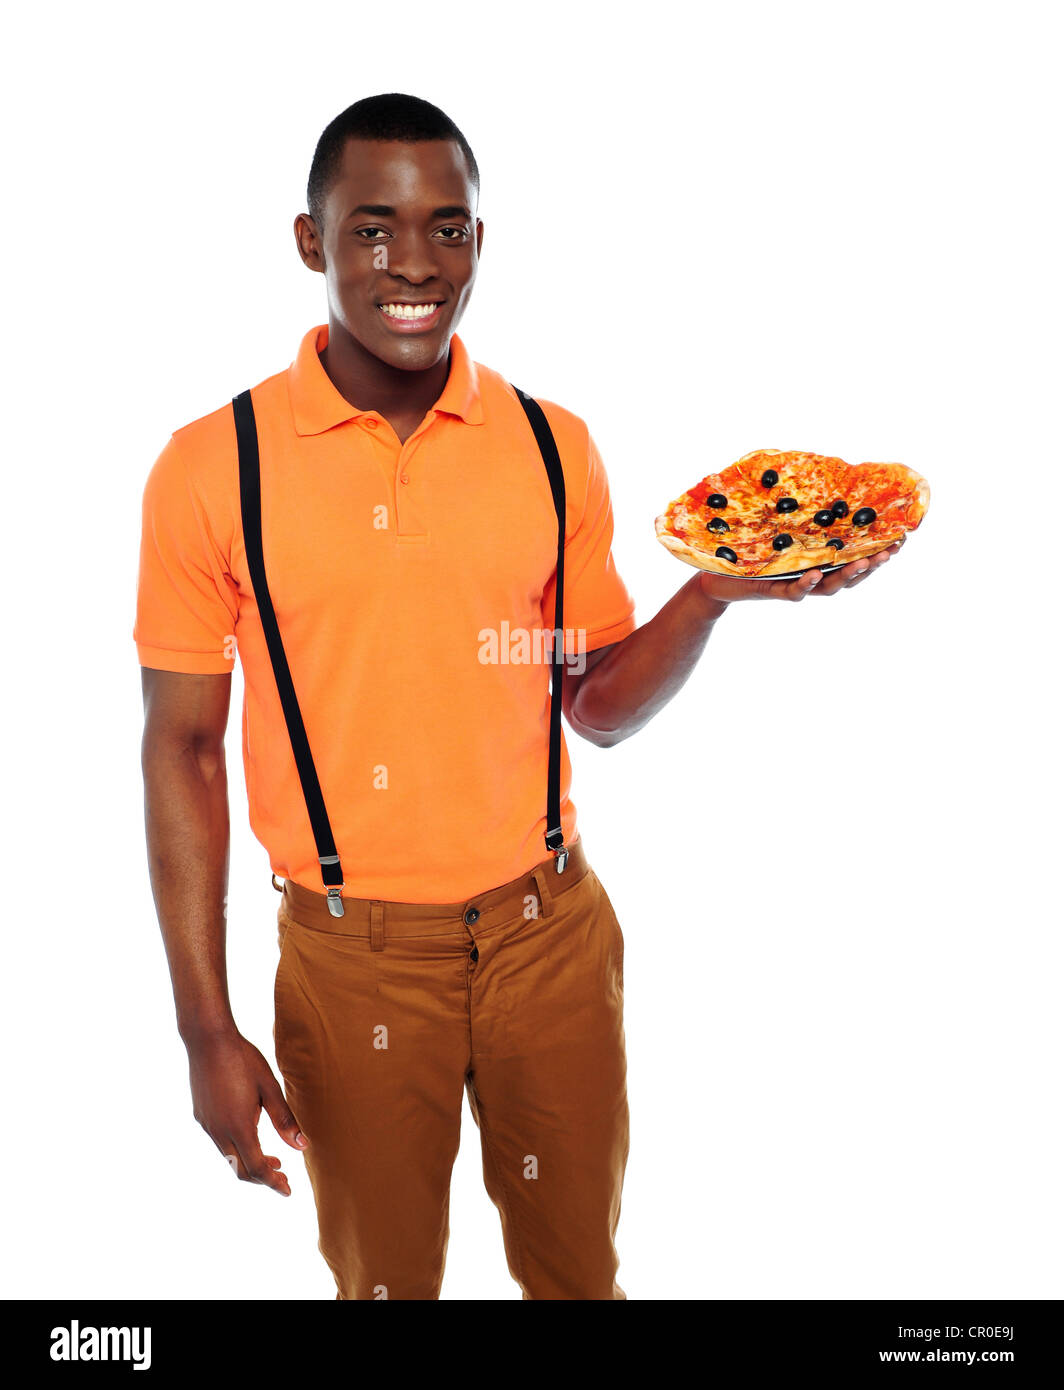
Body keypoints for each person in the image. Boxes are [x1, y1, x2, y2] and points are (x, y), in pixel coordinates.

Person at [135, 92, 903, 1302]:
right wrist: (203, 1029)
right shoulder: (208, 468)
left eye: (448, 229)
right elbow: (180, 749)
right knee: (384, 1285)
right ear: (309, 241)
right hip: (352, 964)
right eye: (372, 228)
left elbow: (592, 705)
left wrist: (707, 594)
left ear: (479, 245)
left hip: (551, 939)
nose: (412, 265)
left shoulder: (553, 446)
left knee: (578, 1280)